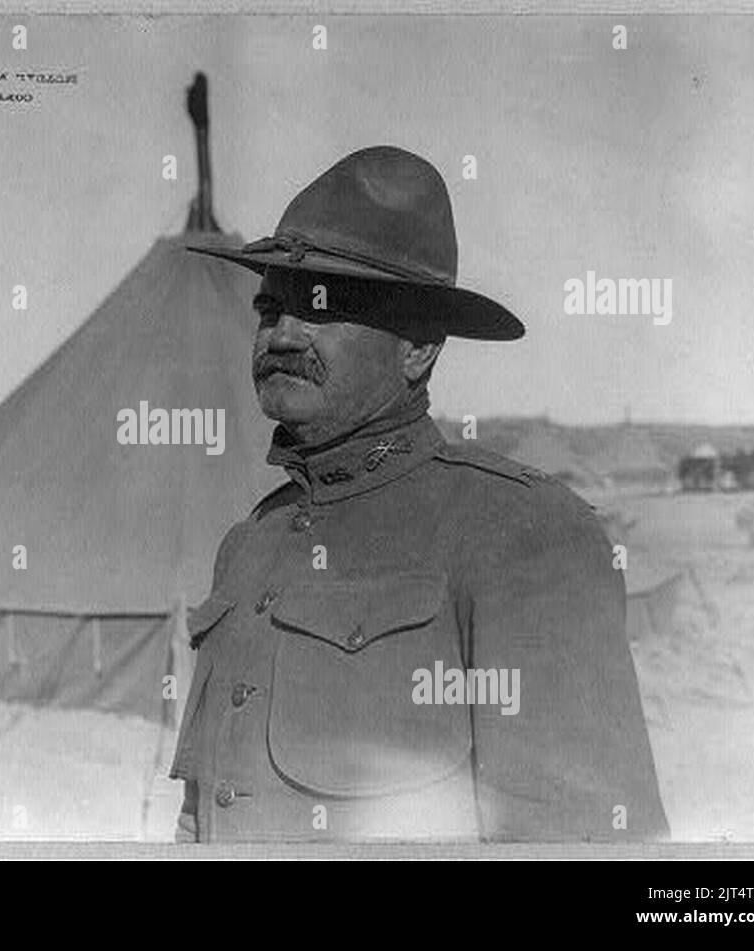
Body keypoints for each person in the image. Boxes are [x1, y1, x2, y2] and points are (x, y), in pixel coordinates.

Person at [172, 146, 668, 842]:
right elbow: (200, 816)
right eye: (270, 305)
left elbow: (585, 841)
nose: (282, 333)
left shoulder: (523, 533)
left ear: (418, 347)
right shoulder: (250, 545)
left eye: (321, 306)